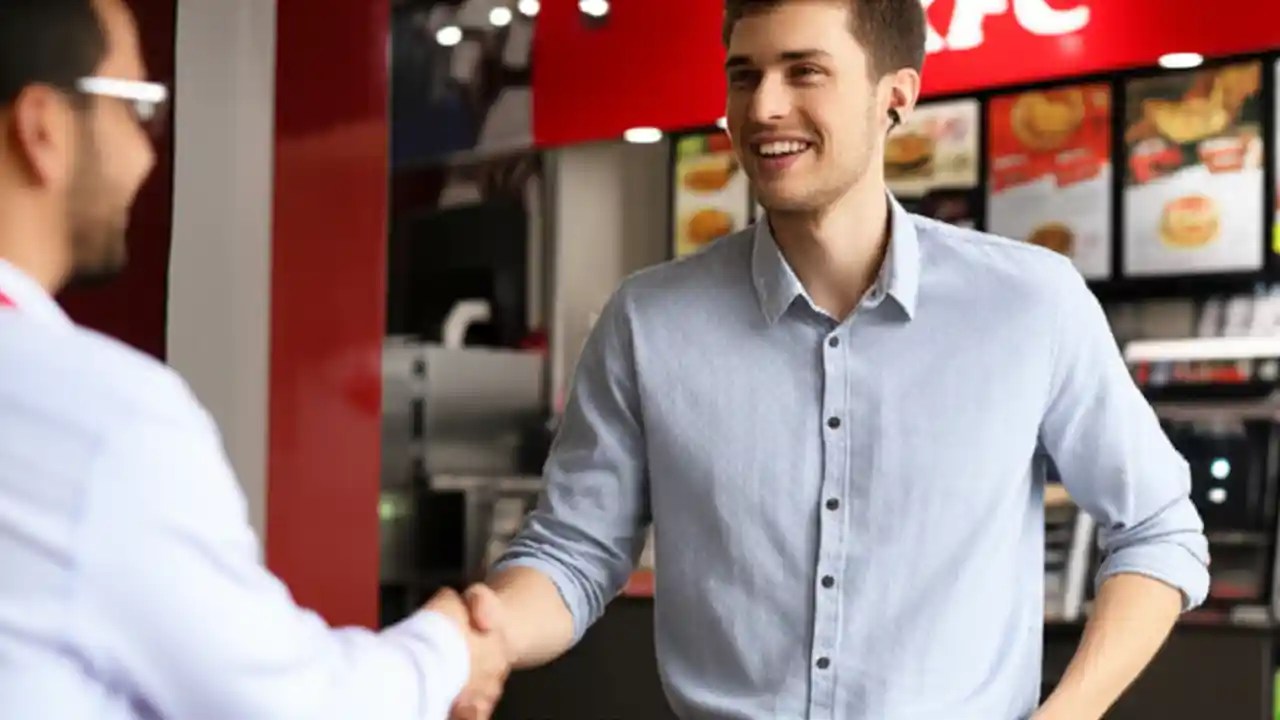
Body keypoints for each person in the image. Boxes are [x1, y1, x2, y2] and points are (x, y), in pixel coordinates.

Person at [450, 1, 1211, 718]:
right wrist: (488, 632)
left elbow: (1156, 529)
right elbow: (574, 551)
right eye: (744, 74)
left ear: (896, 95)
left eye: (803, 71)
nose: (764, 107)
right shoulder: (647, 323)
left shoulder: (1031, 303)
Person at [0, 1, 509, 718]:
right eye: (136, 109)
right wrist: (450, 649)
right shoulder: (102, 419)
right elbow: (291, 705)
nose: (147, 153)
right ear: (43, 128)